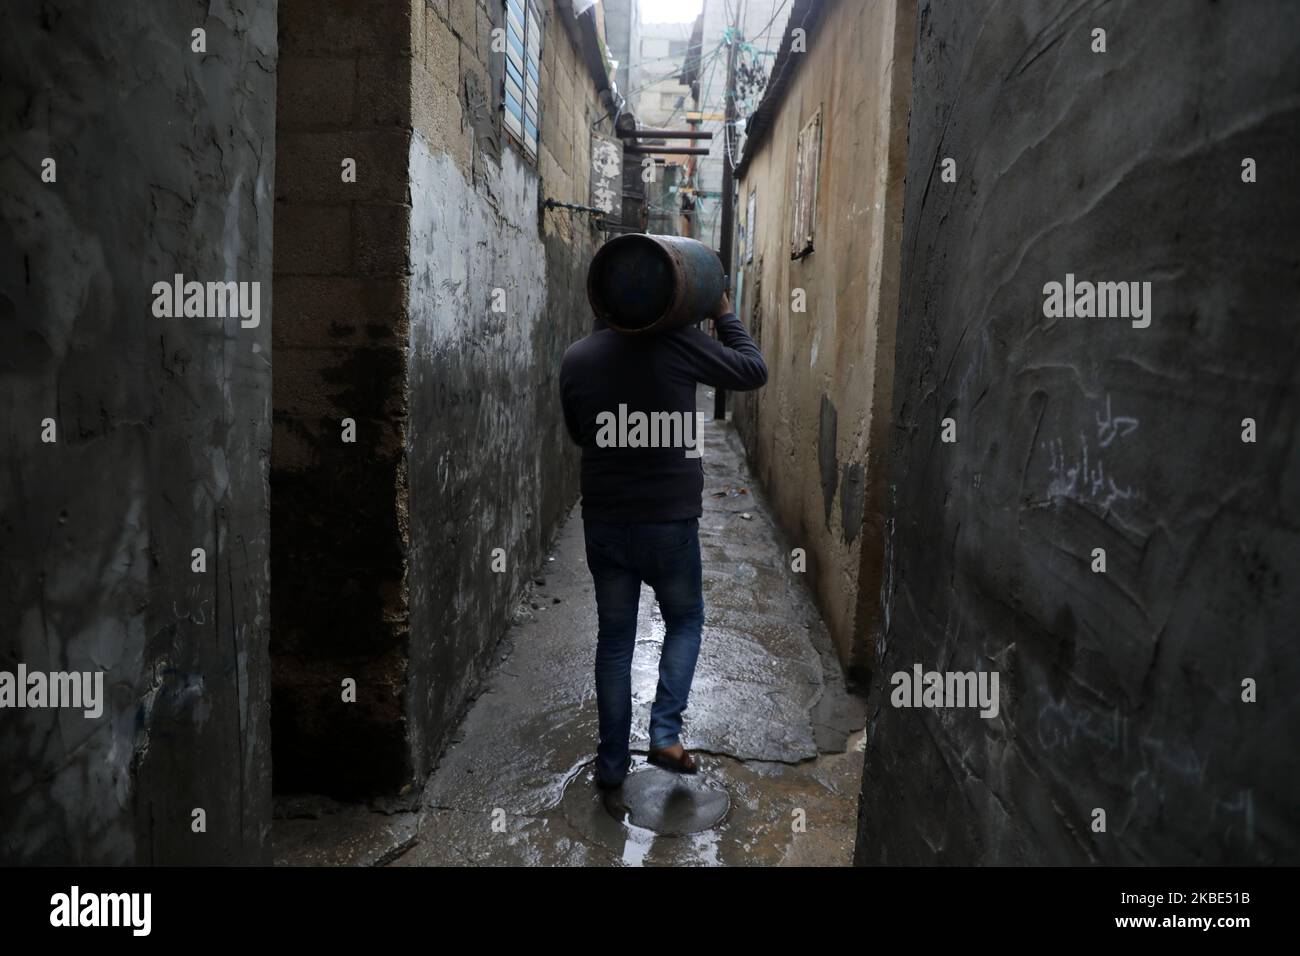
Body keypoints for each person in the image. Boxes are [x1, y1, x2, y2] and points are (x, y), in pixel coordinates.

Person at [559, 291, 768, 789]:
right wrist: (722, 313)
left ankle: (611, 767)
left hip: (605, 523)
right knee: (685, 619)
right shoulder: (681, 344)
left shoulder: (577, 357)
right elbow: (752, 370)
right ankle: (665, 733)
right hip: (669, 524)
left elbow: (577, 432)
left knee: (614, 641)